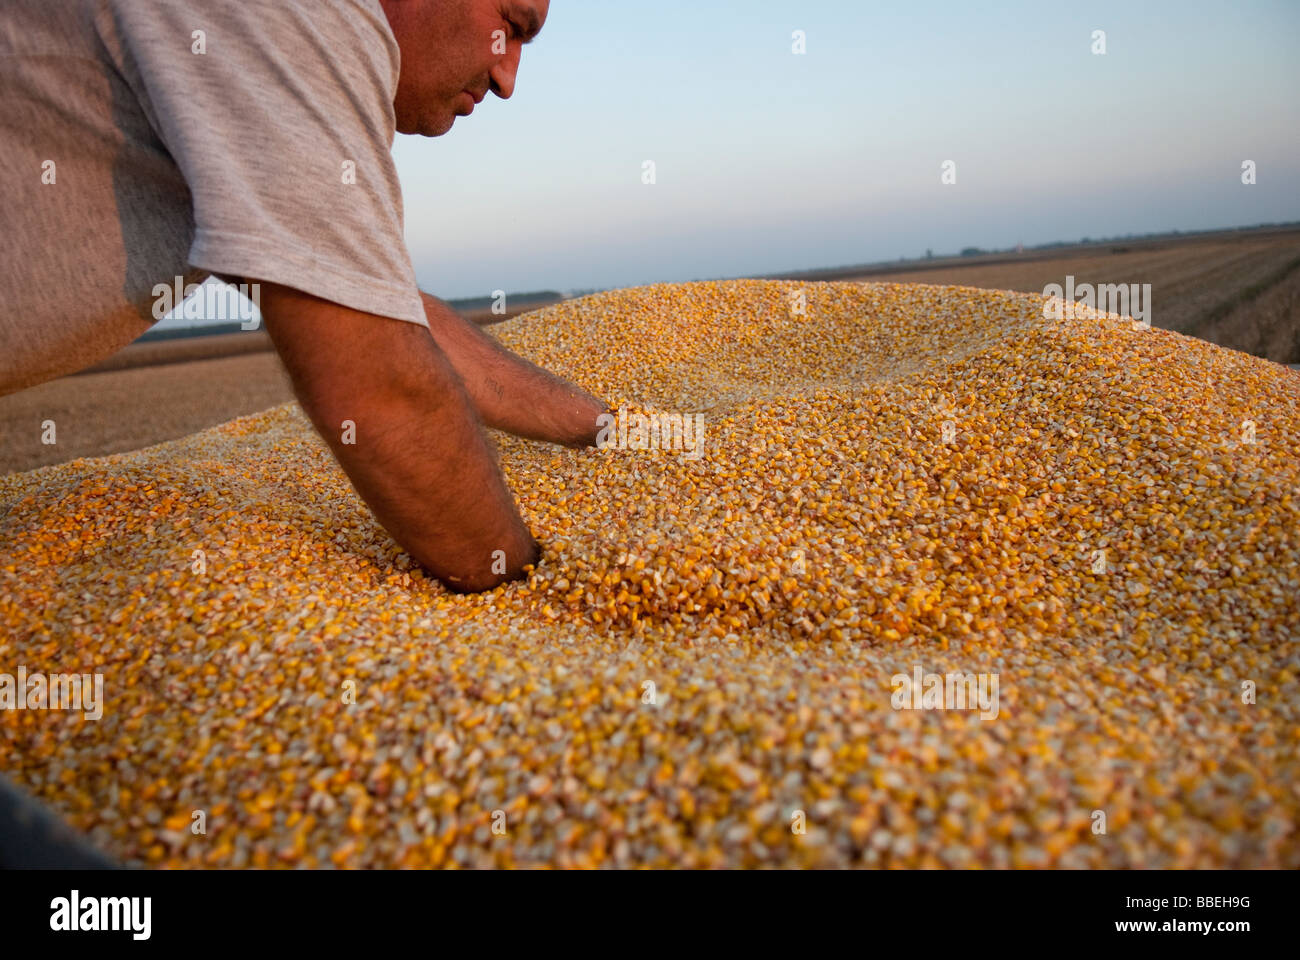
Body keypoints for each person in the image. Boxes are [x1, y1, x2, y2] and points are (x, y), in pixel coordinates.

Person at [0, 0, 607, 593]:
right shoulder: (297, 14)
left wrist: (607, 429)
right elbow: (379, 381)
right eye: (514, 26)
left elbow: (381, 308)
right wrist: (530, 584)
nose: (508, 77)